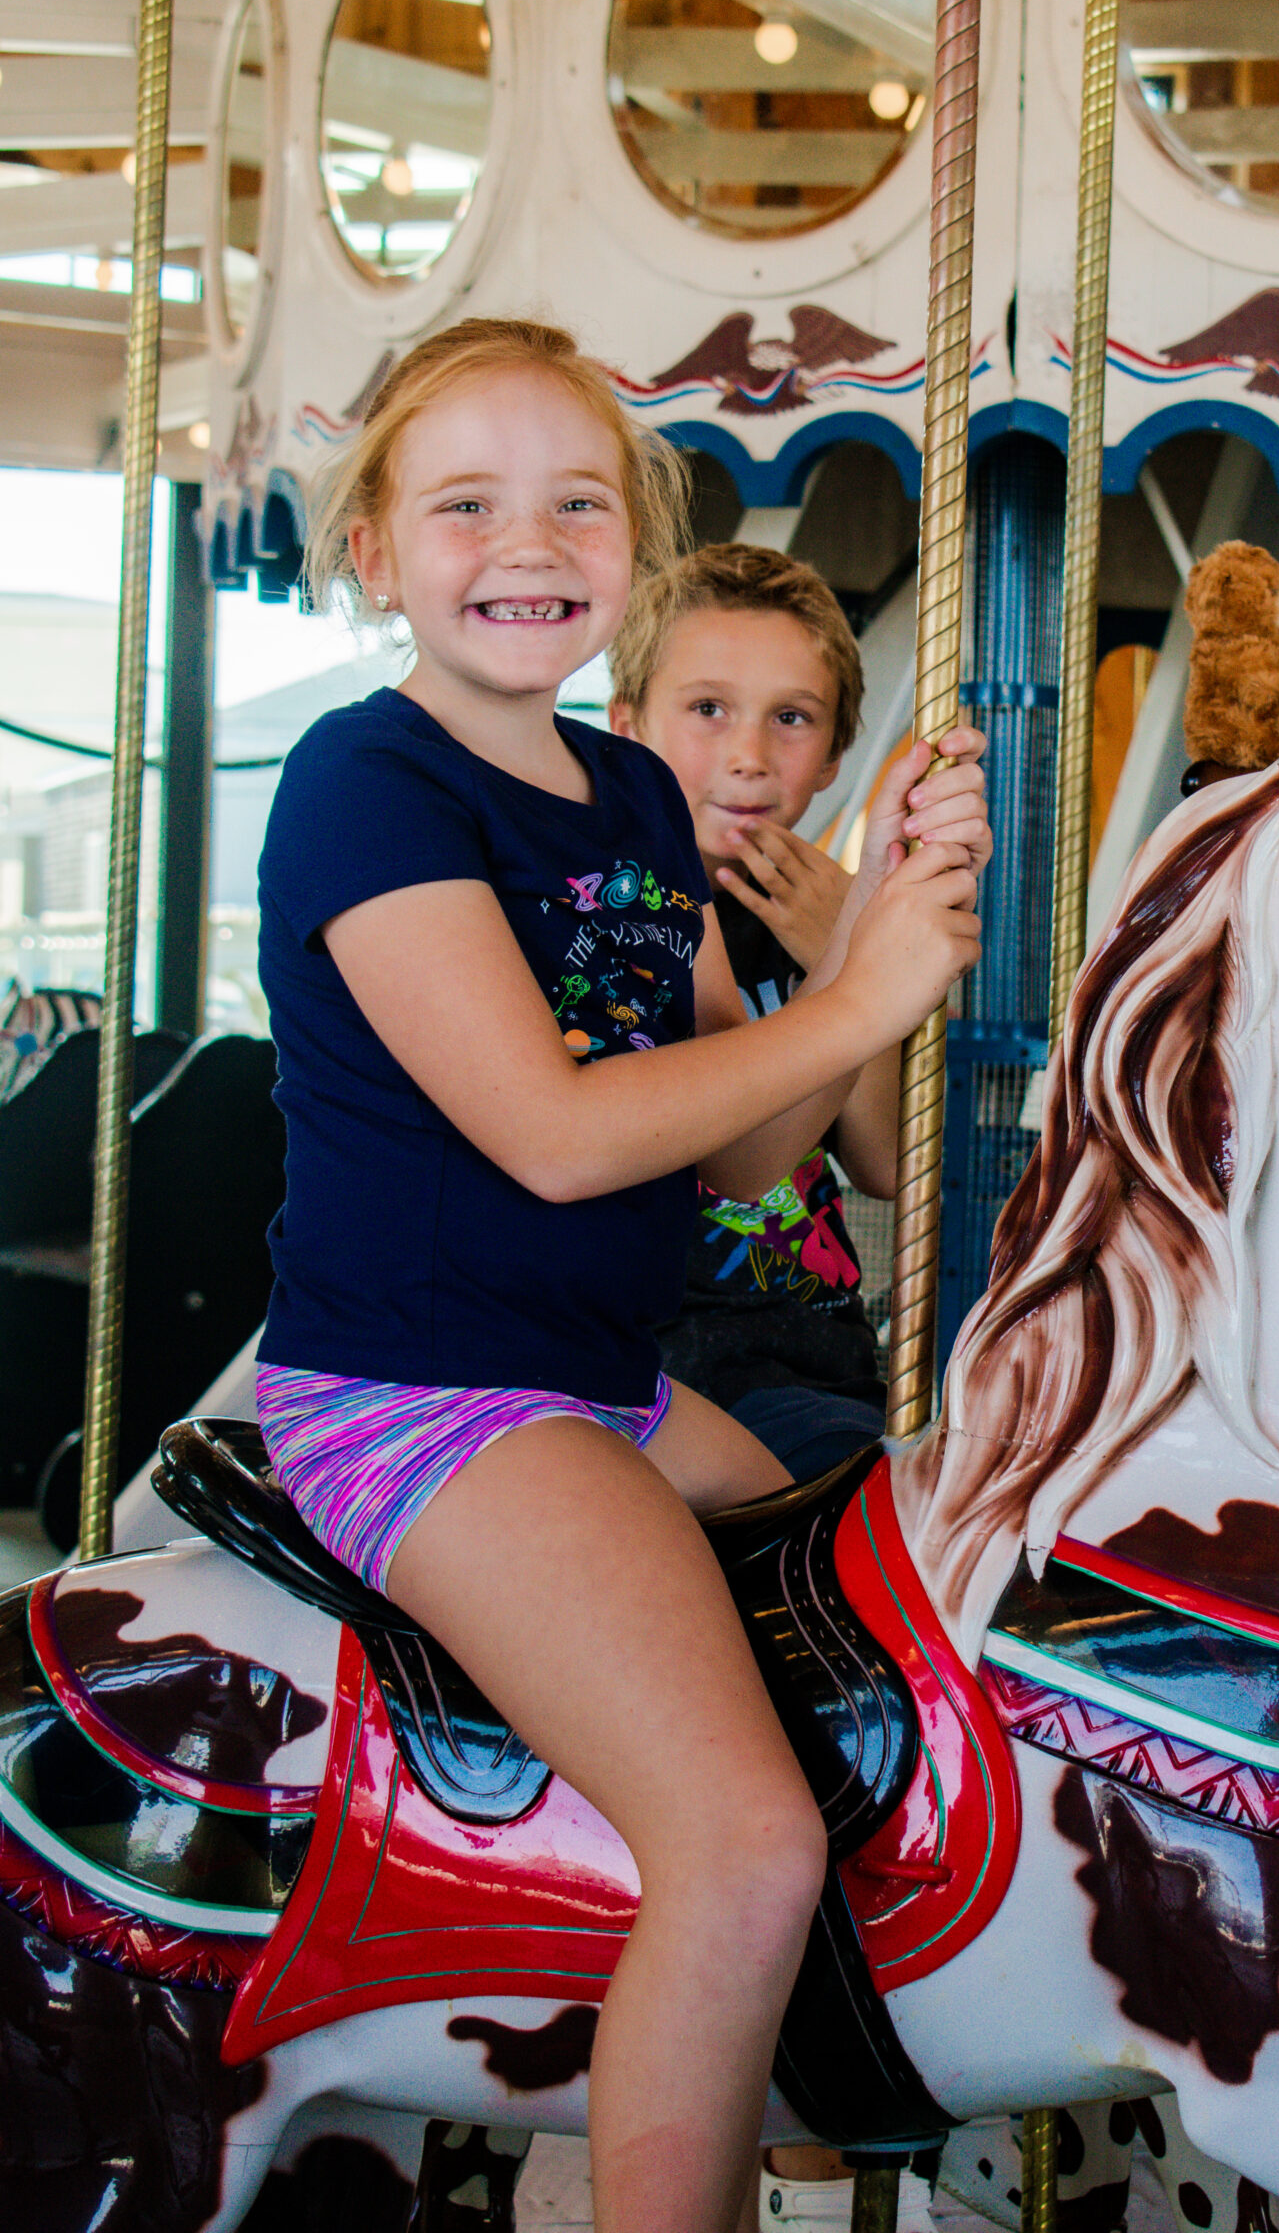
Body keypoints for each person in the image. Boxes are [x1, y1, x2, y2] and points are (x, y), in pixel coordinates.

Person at [252, 317, 989, 2233]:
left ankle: (805, 2092)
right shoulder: (366, 787)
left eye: (578, 499)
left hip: (601, 1384)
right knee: (746, 1840)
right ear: (373, 550)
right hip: (426, 1396)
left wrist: (879, 938)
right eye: (466, 502)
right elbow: (556, 1133)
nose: (528, 538)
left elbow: (736, 1150)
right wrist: (864, 990)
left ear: (631, 547)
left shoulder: (636, 800)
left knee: (904, 1637)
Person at [608, 543, 927, 1481]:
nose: (747, 758)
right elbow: (724, 1163)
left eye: (790, 719)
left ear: (832, 757)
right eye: (707, 710)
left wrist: (852, 940)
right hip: (673, 1352)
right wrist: (849, 968)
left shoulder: (819, 904)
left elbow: (884, 1164)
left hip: (817, 1341)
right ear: (627, 727)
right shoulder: (608, 913)